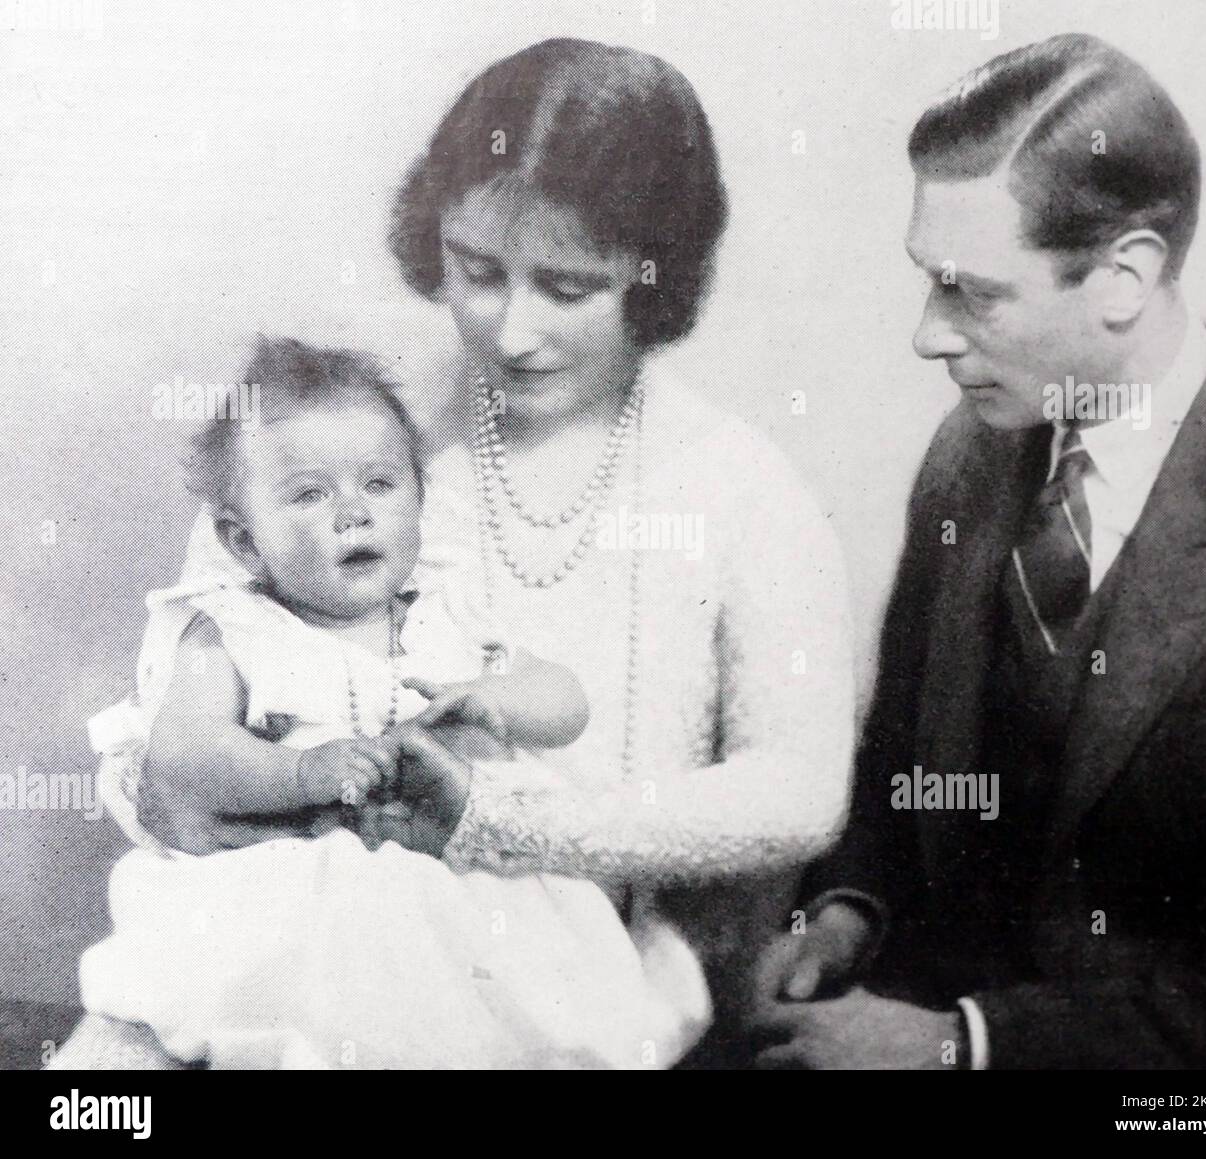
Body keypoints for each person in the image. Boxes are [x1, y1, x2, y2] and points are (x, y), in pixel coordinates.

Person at [57, 38, 855, 1067]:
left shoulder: (743, 487)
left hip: (544, 980)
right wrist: (173, 792)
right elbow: (194, 676)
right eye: (477, 271)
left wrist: (500, 825)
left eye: (569, 288)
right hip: (286, 946)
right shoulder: (355, 402)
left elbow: (797, 790)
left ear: (654, 280)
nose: (510, 330)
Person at [750, 33, 1206, 1069]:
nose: (927, 334)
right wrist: (843, 912)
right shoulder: (971, 452)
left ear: (1124, 277)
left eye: (971, 292)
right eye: (928, 282)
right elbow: (902, 768)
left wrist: (963, 1045)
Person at [76, 336, 710, 1069]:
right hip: (300, 870)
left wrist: (494, 698)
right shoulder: (233, 628)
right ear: (243, 542)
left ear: (419, 496)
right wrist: (303, 772)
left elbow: (566, 699)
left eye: (380, 484)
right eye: (310, 494)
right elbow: (183, 749)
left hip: (454, 872)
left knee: (524, 980)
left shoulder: (450, 608)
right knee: (292, 970)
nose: (354, 514)